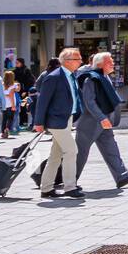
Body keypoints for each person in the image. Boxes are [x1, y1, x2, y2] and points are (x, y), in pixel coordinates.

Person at [72, 52, 128, 190]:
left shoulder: (103, 77)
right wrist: (102, 118)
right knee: (81, 153)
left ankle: (122, 177)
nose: (113, 63)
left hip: (103, 121)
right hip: (90, 123)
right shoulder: (91, 79)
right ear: (100, 64)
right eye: (110, 61)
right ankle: (70, 181)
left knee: (111, 148)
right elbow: (89, 102)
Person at [33, 47, 86, 198]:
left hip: (67, 119)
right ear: (68, 61)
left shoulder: (71, 75)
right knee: (71, 151)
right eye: (78, 59)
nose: (80, 61)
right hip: (56, 121)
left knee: (55, 156)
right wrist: (38, 122)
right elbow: (43, 101)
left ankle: (46, 188)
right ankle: (70, 187)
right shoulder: (54, 76)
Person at [1, 70, 18, 139]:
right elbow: (11, 96)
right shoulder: (13, 85)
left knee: (4, 119)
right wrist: (13, 105)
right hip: (10, 104)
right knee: (10, 118)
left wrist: (6, 95)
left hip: (4, 104)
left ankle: (3, 132)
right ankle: (7, 129)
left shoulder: (2, 84)